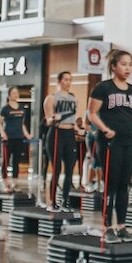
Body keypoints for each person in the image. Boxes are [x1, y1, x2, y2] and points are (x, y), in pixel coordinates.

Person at [88, 49, 132, 243]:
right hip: (109, 142)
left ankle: (121, 226)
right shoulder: (102, 88)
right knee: (111, 184)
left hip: (128, 141)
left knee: (123, 185)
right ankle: (107, 226)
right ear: (113, 66)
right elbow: (92, 113)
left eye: (130, 64)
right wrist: (104, 129)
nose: (128, 68)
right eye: (123, 64)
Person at [42, 71, 79, 210]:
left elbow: (74, 119)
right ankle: (52, 201)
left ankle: (65, 200)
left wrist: (79, 129)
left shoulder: (73, 98)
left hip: (69, 134)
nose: (68, 82)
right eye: (66, 79)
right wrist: (53, 118)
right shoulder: (51, 98)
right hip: (57, 133)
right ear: (59, 81)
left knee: (70, 169)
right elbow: (48, 119)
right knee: (56, 168)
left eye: (70, 80)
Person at [0, 86, 29, 187]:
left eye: (17, 93)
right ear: (9, 95)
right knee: (6, 160)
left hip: (19, 137)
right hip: (8, 138)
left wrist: (26, 134)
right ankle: (5, 181)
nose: (15, 95)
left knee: (16, 161)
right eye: (13, 93)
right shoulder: (5, 109)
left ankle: (15, 182)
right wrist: (3, 133)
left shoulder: (21, 108)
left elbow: (22, 124)